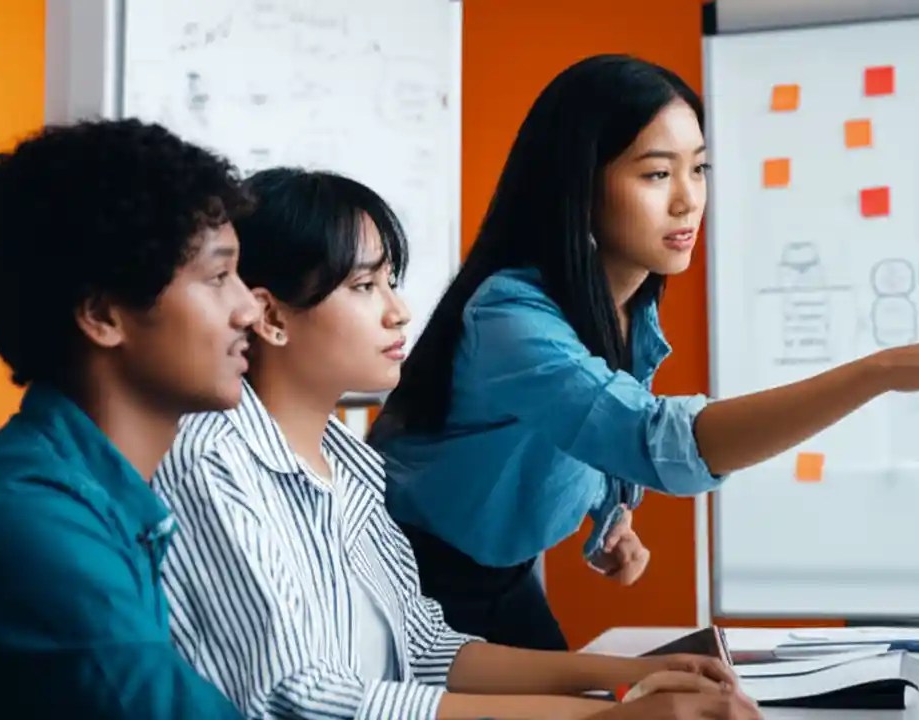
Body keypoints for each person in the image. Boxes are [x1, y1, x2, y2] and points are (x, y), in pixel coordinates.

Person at [367, 53, 919, 652]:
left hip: (504, 576)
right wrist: (878, 371)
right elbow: (651, 439)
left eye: (698, 169)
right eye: (655, 174)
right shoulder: (511, 318)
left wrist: (608, 515)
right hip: (416, 582)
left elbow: (579, 432)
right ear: (578, 185)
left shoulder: (626, 313)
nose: (688, 201)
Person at [153, 167, 760, 720]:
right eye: (365, 286)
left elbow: (424, 648)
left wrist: (629, 675)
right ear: (272, 317)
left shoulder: (348, 463)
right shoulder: (211, 462)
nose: (399, 312)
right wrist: (603, 717)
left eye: (391, 282)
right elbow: (302, 699)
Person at [0, 119, 258, 717]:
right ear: (103, 316)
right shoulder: (28, 515)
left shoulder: (97, 495)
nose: (249, 307)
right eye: (218, 276)